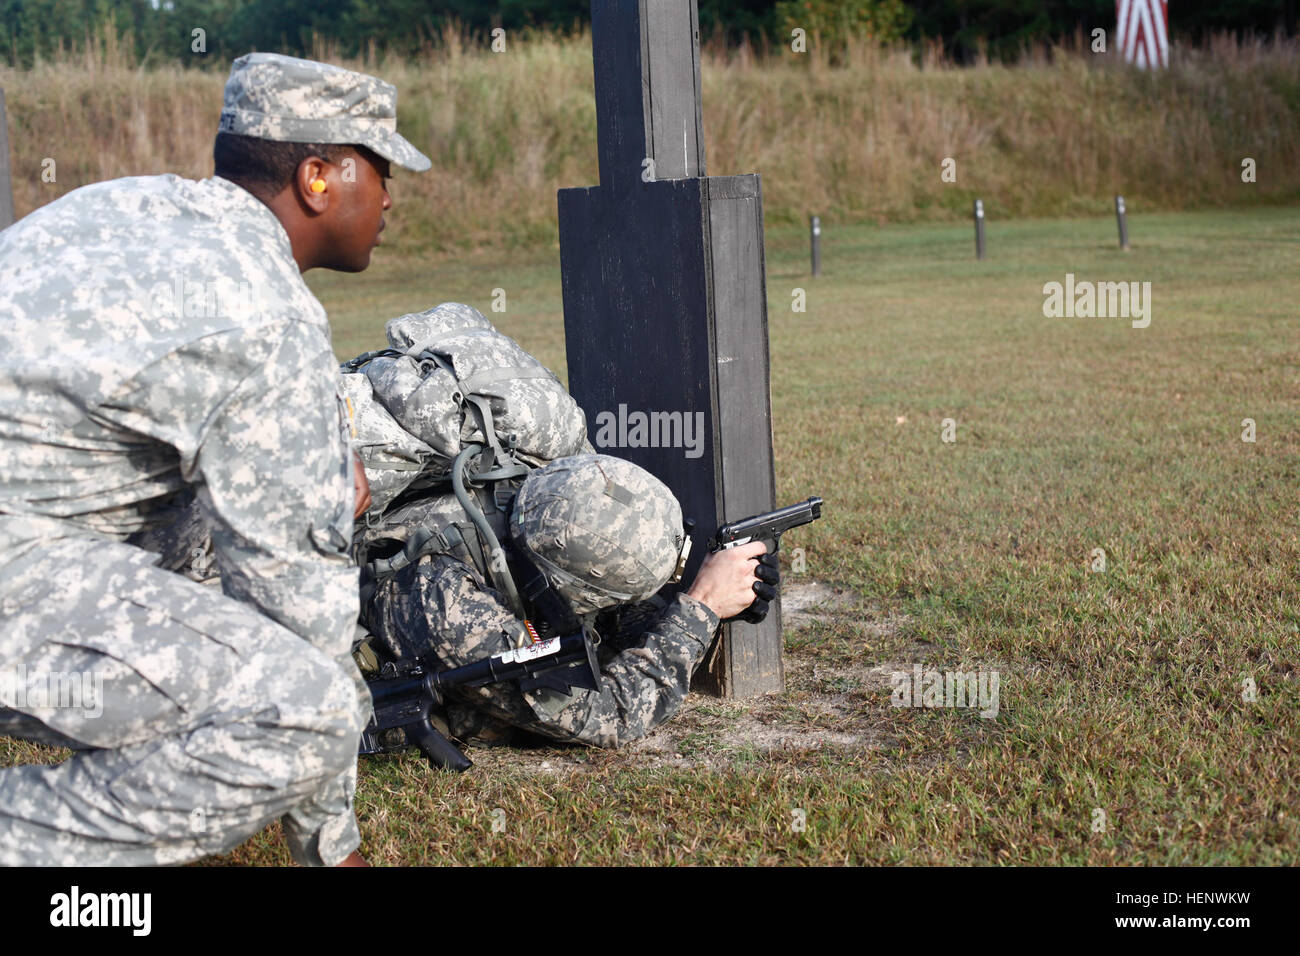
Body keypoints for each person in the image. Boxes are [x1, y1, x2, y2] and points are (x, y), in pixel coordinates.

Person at [0, 52, 430, 866]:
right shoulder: (266, 317)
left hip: (31, 522)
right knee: (308, 711)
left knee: (208, 527)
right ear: (316, 178)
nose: (389, 197)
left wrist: (310, 486)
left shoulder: (123, 207)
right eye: (378, 169)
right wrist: (330, 848)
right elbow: (303, 613)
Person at [360, 453, 779, 750]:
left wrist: (721, 602)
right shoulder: (452, 609)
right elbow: (611, 715)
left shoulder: (541, 502)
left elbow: (608, 616)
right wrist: (699, 608)